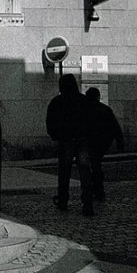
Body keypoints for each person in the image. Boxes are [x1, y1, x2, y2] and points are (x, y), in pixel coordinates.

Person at [46, 74, 94, 215]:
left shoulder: (57, 102)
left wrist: (55, 136)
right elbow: (92, 120)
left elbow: (51, 121)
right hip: (83, 139)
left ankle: (63, 200)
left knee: (64, 171)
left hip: (66, 139)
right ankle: (87, 204)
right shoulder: (84, 101)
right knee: (85, 172)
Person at [85, 86, 124, 201]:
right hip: (102, 142)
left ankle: (93, 189)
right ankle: (98, 189)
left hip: (89, 142)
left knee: (90, 166)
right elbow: (115, 127)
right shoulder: (105, 109)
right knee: (96, 165)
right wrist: (119, 142)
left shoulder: (84, 109)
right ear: (98, 97)